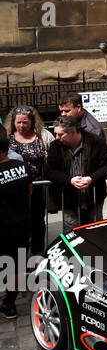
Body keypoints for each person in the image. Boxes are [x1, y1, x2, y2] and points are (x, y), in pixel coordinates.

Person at [44, 118, 107, 234]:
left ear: (73, 132)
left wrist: (91, 179)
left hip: (94, 197)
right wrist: (69, 180)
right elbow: (49, 171)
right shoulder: (56, 146)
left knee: (96, 232)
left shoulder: (95, 142)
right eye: (55, 133)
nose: (57, 137)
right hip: (68, 199)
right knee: (72, 234)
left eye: (60, 134)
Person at [6, 106, 52, 256]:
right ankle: (20, 254)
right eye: (18, 122)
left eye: (25, 122)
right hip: (14, 188)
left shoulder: (42, 136)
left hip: (37, 186)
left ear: (32, 122)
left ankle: (38, 253)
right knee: (18, 221)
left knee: (37, 220)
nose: (21, 126)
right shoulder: (7, 137)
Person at [0, 129, 31, 319]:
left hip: (3, 227)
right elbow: (29, 191)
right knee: (17, 265)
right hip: (21, 224)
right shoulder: (21, 166)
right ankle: (10, 303)